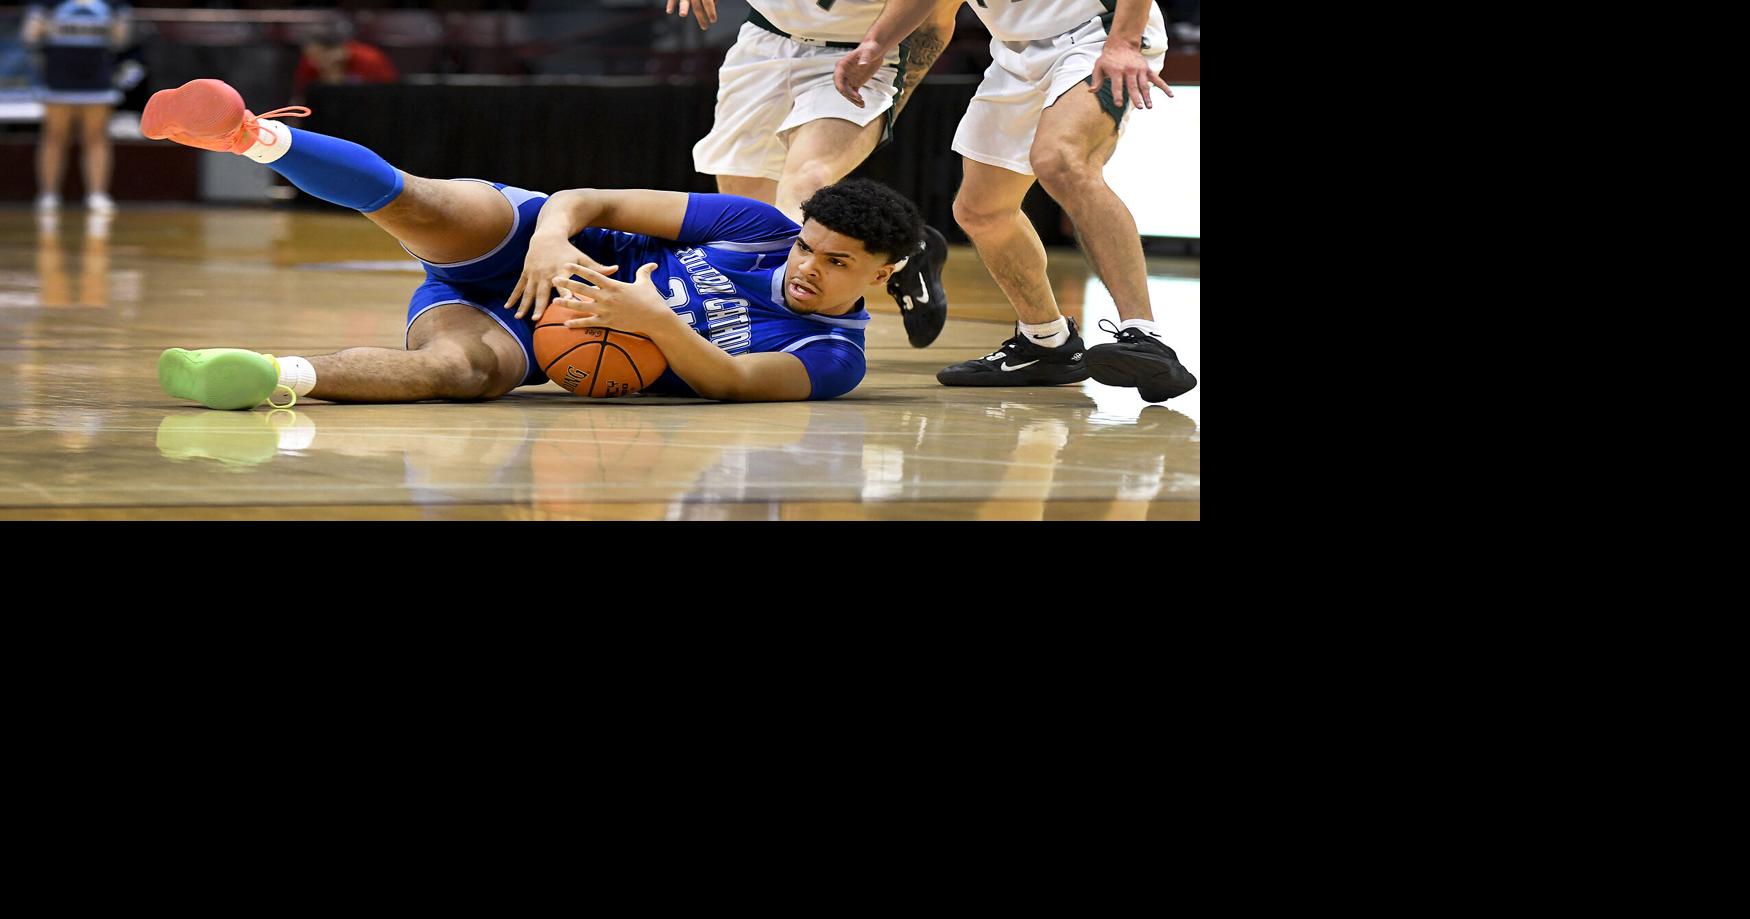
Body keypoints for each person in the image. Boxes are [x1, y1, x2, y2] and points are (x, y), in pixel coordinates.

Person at [142, 79, 924, 410]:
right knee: (421, 204)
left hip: (538, 334)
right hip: (544, 245)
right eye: (809, 247)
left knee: (459, 374)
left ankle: (272, 376)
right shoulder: (763, 231)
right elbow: (596, 199)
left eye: (836, 262)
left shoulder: (834, 354)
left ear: (884, 276)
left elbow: (728, 380)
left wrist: (646, 317)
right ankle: (251, 134)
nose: (807, 267)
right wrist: (551, 236)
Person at [835, 0, 1196, 402]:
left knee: (1061, 161)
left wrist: (1125, 41)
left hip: (1099, 32)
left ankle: (1144, 336)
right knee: (980, 210)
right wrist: (876, 43)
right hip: (1015, 52)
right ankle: (1045, 341)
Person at [670, 0, 958, 348]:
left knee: (807, 181)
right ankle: (905, 256)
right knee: (747, 224)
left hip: (860, 54)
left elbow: (937, 19)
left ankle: (789, 338)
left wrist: (880, 52)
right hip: (762, 44)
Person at [22, 0, 133, 214]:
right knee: (54, 136)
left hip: (97, 80)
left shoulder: (113, 4)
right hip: (58, 80)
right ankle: (48, 195)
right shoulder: (48, 4)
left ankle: (97, 194)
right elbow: (30, 36)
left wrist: (115, 27)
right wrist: (43, 27)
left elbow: (122, 40)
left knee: (96, 138)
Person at [290, 20, 399, 106]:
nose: (314, 62)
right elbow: (302, 96)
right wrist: (330, 75)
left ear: (339, 49)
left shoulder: (371, 59)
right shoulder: (310, 62)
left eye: (320, 56)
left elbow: (389, 95)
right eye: (311, 56)